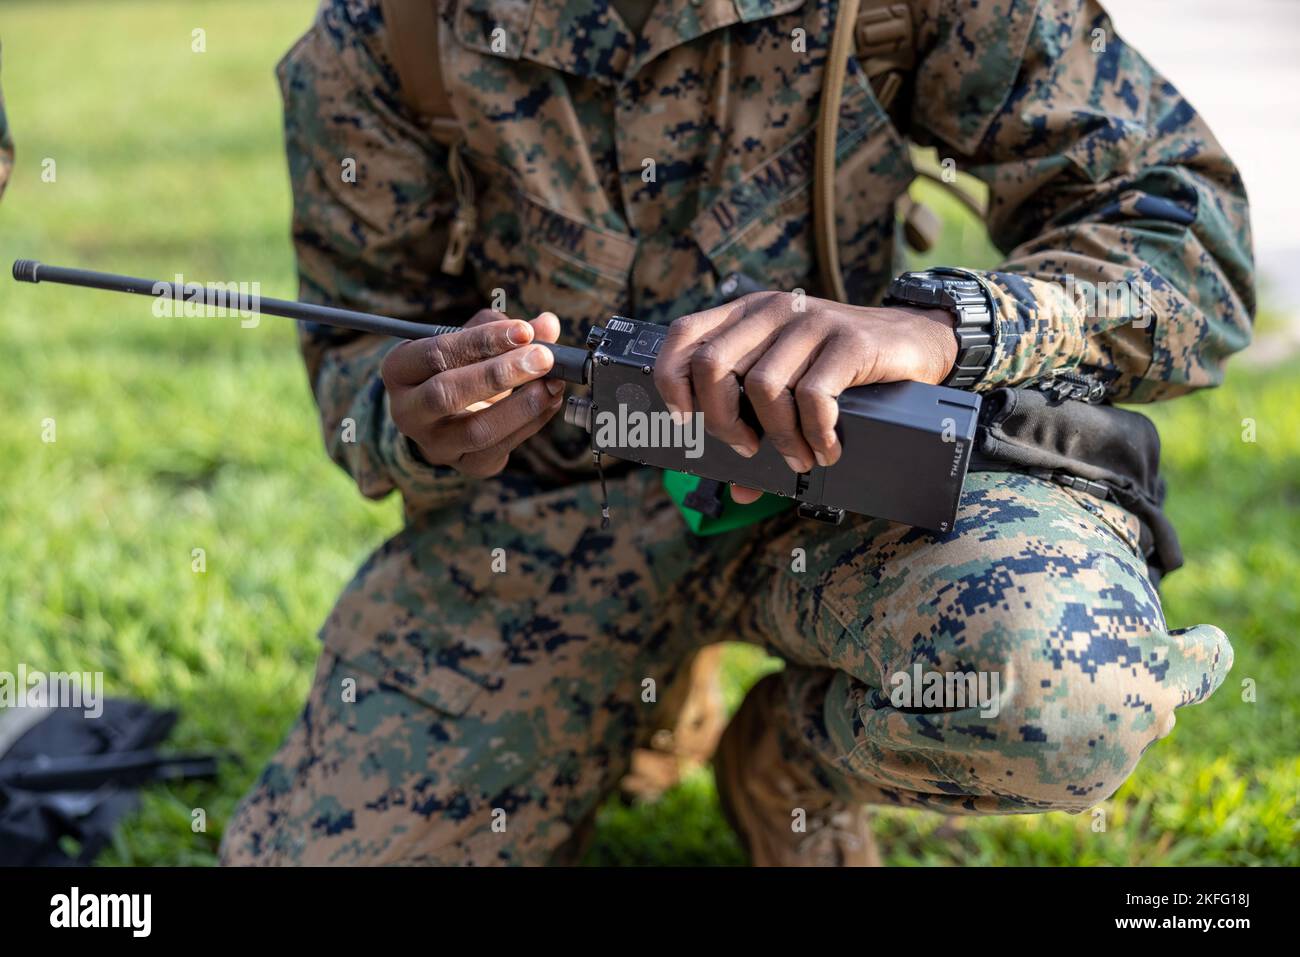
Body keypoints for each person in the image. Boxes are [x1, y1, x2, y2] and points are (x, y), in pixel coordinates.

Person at [221, 0, 1252, 866]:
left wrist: (937, 327)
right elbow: (357, 341)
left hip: (853, 480)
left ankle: (789, 757)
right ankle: (638, 698)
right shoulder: (387, 32)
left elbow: (1184, 232)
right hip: (548, 518)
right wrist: (414, 420)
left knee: (1069, 683)